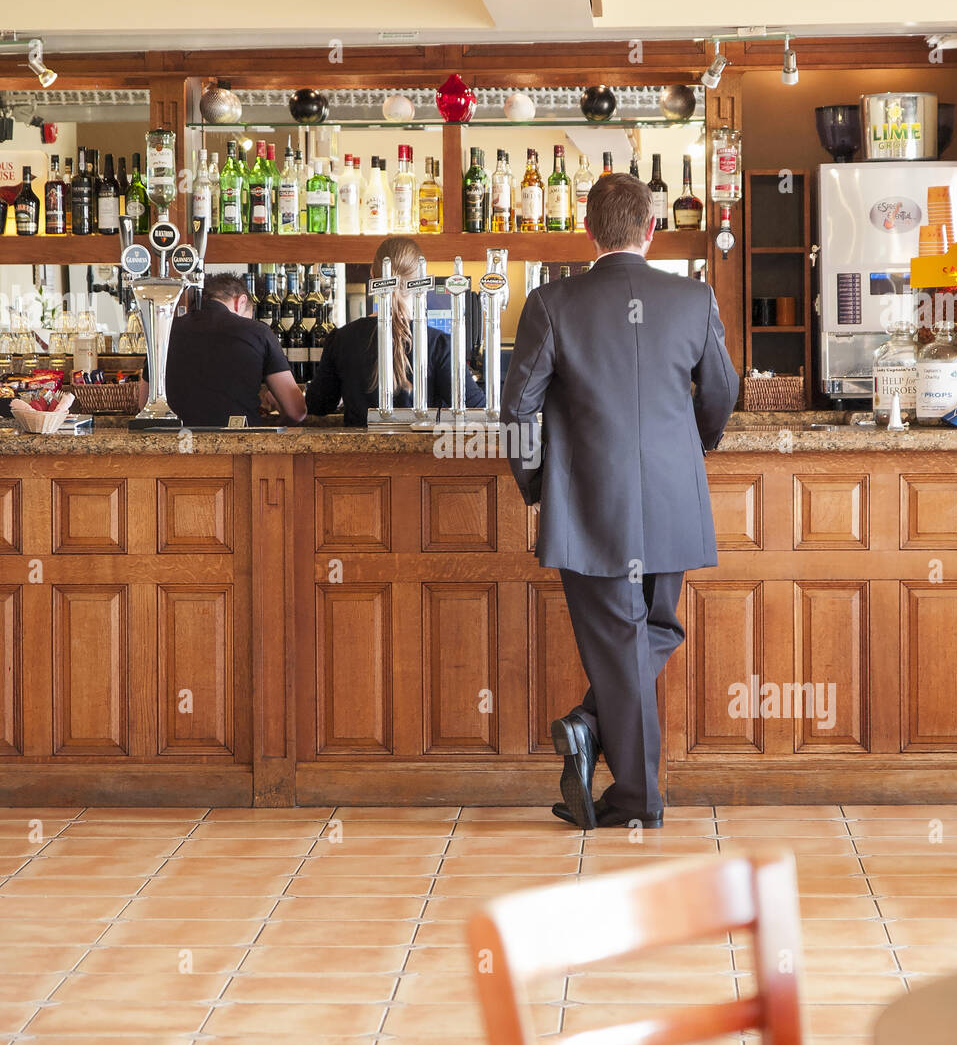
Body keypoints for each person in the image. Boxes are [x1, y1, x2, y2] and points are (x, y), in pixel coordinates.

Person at [500, 172, 738, 830]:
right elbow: (721, 391)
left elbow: (516, 410)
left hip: (589, 508)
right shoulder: (693, 297)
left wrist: (536, 486)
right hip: (673, 498)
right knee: (650, 632)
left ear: (587, 230)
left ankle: (624, 780)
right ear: (652, 228)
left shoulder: (551, 302)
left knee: (634, 640)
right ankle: (606, 753)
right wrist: (697, 444)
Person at [305, 237, 485, 425]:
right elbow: (477, 411)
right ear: (421, 282)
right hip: (424, 444)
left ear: (373, 274)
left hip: (359, 445)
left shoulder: (342, 339)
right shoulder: (440, 345)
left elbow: (318, 404)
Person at [137, 272, 306, 426]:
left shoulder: (164, 330)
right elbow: (296, 412)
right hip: (240, 444)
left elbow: (144, 404)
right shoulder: (258, 332)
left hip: (173, 443)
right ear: (240, 302)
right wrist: (279, 418)